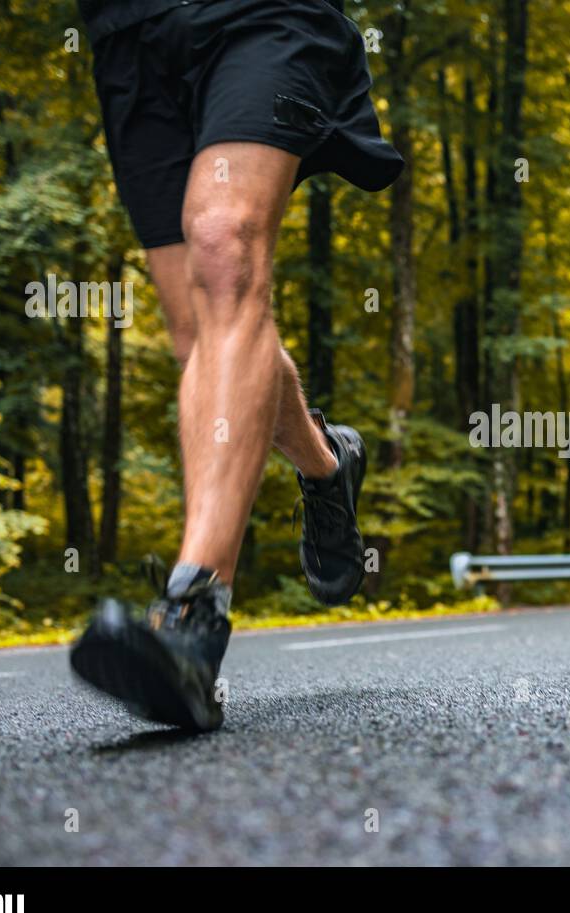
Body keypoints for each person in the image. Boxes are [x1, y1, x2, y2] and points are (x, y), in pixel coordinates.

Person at [68, 0, 403, 732]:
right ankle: (326, 462)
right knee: (200, 338)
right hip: (127, 34)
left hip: (262, 15)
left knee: (223, 245)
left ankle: (193, 615)